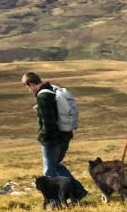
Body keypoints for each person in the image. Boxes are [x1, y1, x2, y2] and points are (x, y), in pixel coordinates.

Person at [21, 71, 88, 202]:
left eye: (27, 87)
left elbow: (48, 123)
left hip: (52, 141)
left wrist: (42, 137)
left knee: (49, 173)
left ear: (32, 84)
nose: (29, 91)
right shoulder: (53, 89)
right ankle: (78, 191)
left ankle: (54, 203)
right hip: (65, 135)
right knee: (56, 165)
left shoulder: (43, 96)